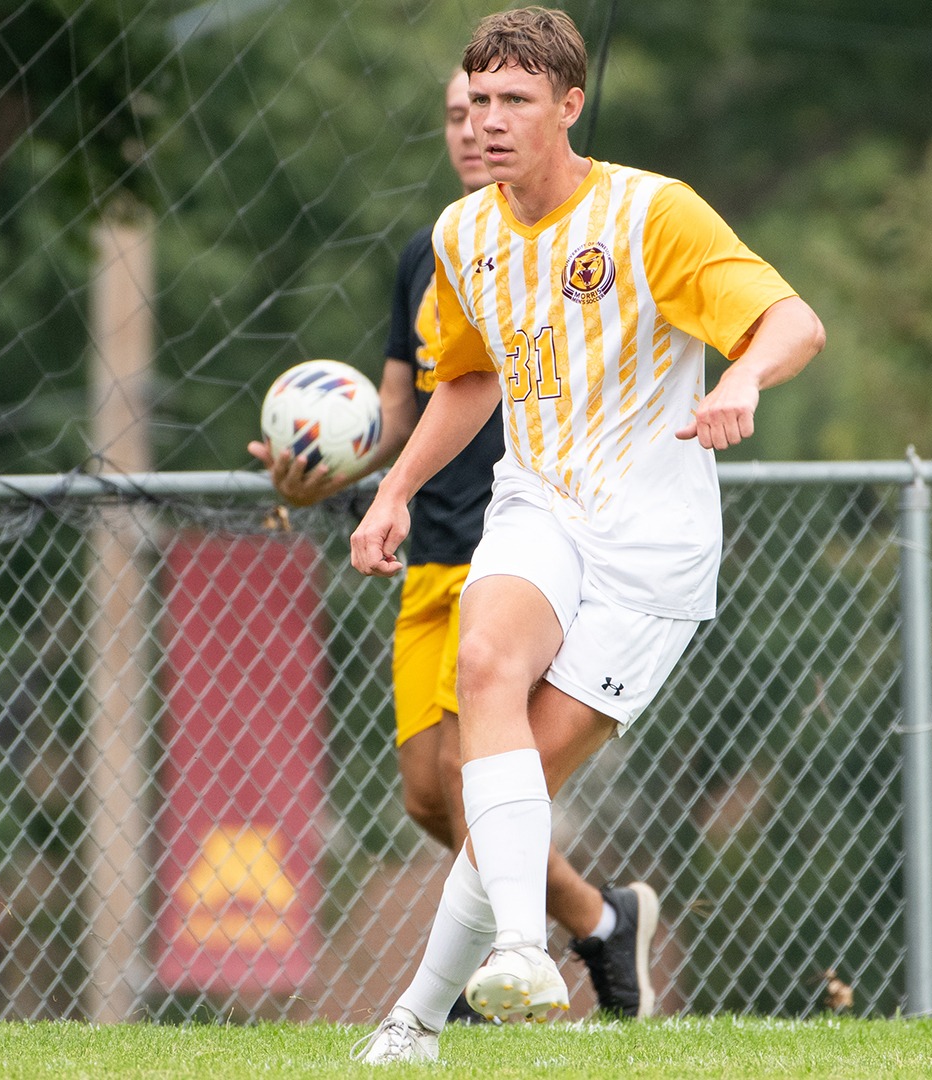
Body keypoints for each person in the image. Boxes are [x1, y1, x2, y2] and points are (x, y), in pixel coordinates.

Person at [348, 7, 825, 1064]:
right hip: (539, 508)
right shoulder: (461, 236)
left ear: (570, 106)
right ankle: (523, 945)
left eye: (517, 100)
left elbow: (795, 322)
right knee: (484, 666)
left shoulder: (654, 213)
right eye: (478, 101)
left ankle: (415, 1021)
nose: (491, 121)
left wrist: (742, 376)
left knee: (503, 808)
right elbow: (466, 376)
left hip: (650, 552)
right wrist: (395, 491)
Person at [246, 66, 660, 1023]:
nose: (476, 128)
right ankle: (600, 921)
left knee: (483, 782)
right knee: (429, 801)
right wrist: (328, 467)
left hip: (519, 545)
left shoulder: (577, 238)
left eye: (499, 108)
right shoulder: (432, 250)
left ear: (551, 112)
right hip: (428, 546)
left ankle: (483, 968)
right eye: (459, 113)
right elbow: (401, 410)